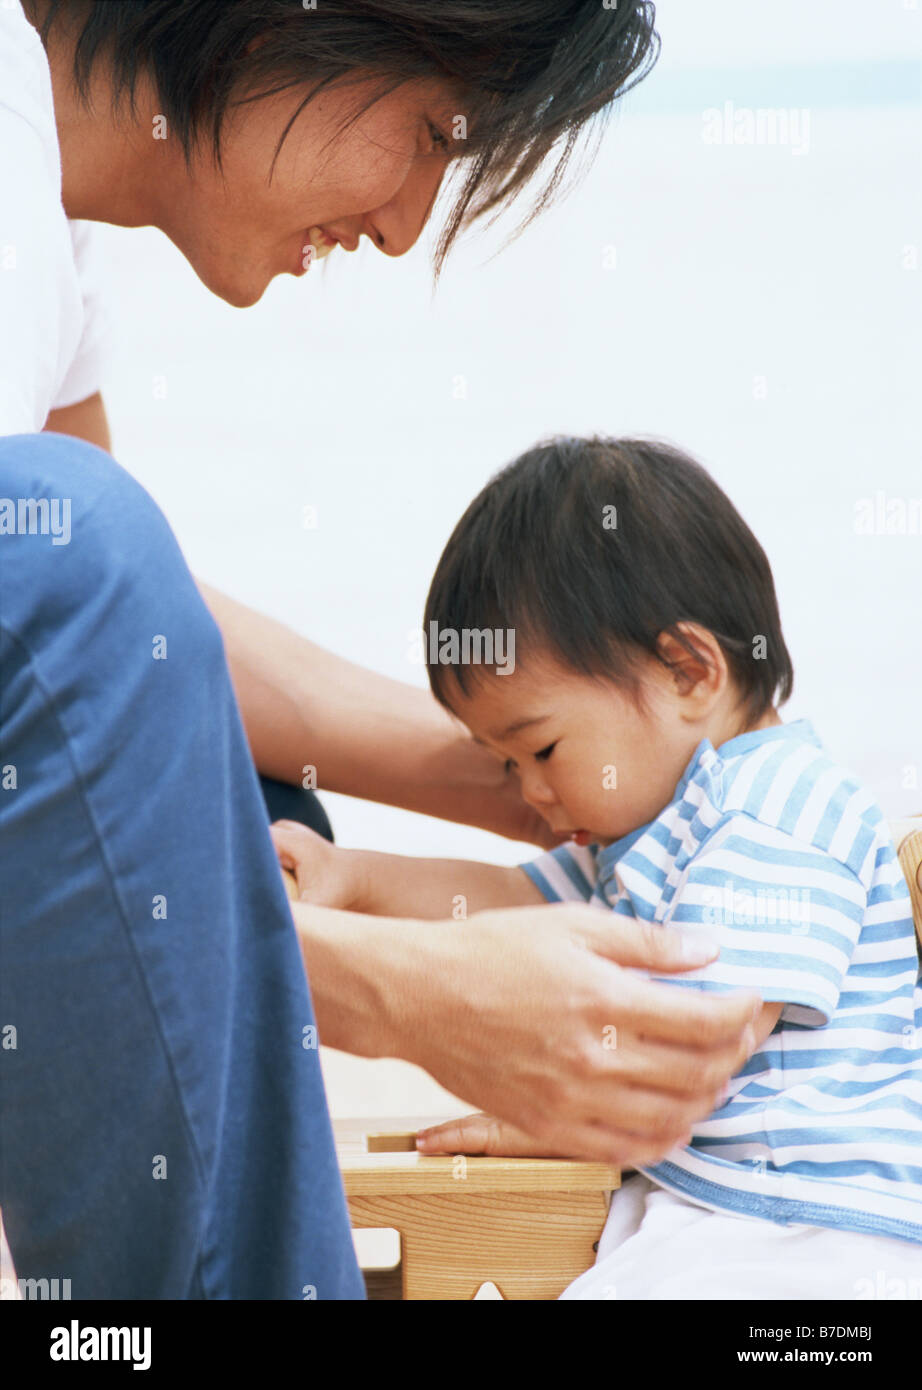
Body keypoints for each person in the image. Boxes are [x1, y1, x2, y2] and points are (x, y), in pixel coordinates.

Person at [0, 1, 763, 1298]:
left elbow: (111, 655)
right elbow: (81, 594)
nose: (407, 224)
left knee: (244, 791)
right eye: (424, 133)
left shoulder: (48, 233)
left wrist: (519, 772)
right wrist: (395, 988)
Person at [272, 436, 922, 1299]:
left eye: (539, 748)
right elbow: (503, 905)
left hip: (813, 1227)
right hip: (714, 1203)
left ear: (688, 670)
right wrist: (351, 878)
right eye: (504, 764)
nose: (530, 792)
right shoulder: (654, 832)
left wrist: (544, 1117)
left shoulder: (776, 807)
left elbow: (704, 1033)